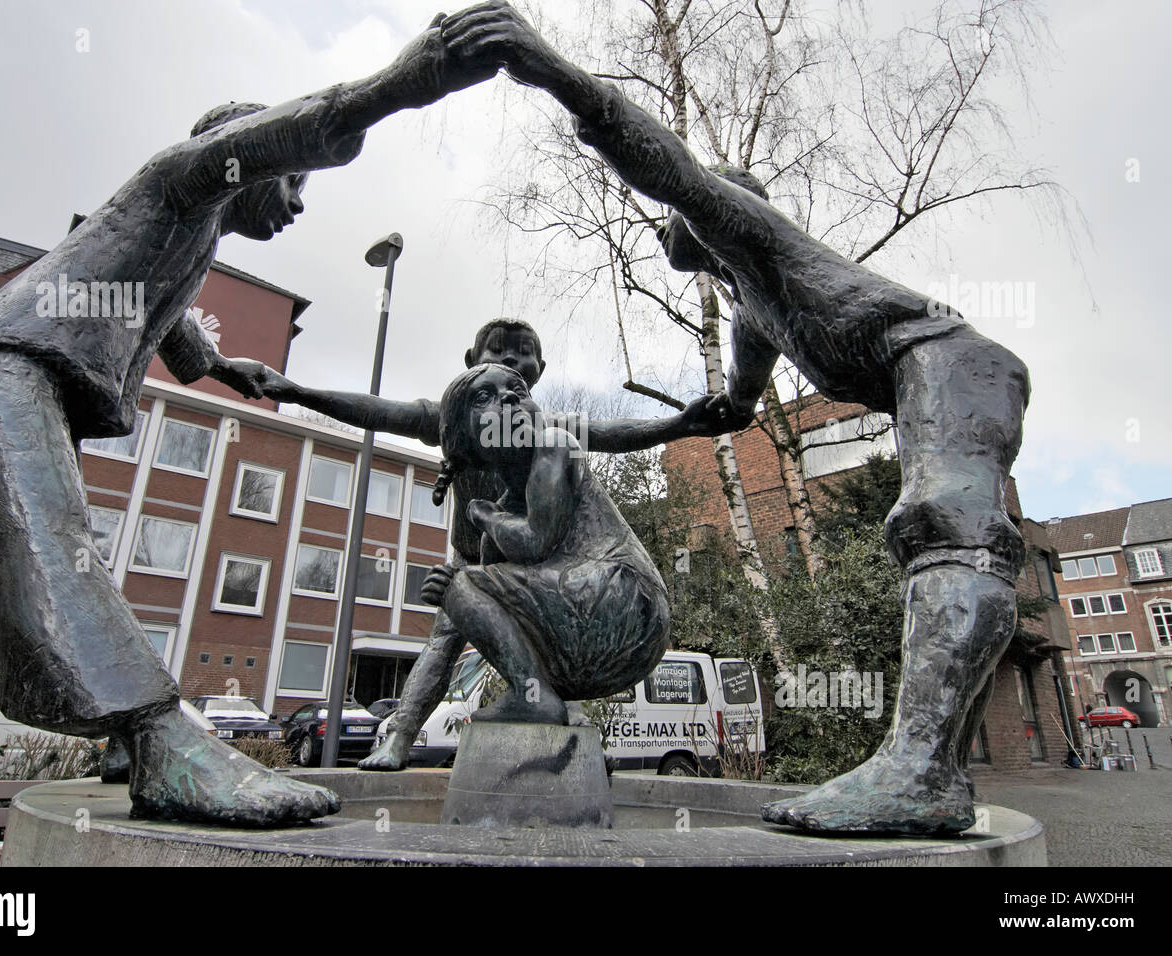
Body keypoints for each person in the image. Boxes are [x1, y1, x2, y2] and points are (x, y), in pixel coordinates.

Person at [439, 1, 1032, 834]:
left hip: (948, 363)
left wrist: (555, 72)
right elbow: (739, 404)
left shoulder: (751, 237)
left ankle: (921, 769)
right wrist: (702, 416)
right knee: (944, 530)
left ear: (718, 211)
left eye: (688, 214)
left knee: (945, 525)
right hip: (928, 375)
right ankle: (930, 768)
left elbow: (663, 165)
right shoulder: (755, 308)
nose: (668, 230)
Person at [0, 14, 499, 827]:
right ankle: (161, 742)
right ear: (243, 158)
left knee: (60, 551)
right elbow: (311, 123)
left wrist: (230, 369)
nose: (296, 203)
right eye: (291, 183)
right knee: (54, 547)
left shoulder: (186, 242)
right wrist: (409, 80)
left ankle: (125, 741)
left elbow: (180, 341)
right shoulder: (179, 180)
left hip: (17, 385)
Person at [261, 317, 724, 767]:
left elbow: (610, 432)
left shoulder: (544, 433)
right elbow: (377, 411)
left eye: (525, 355)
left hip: (546, 563)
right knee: (447, 637)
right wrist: (295, 391)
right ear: (470, 361)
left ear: (539, 372)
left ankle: (554, 726)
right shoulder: (458, 416)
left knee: (494, 613)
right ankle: (403, 735)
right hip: (486, 556)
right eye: (498, 349)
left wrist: (679, 425)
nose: (512, 359)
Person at [415, 363, 670, 723]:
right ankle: (536, 695)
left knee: (464, 584)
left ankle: (532, 697)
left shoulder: (554, 444)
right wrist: (449, 589)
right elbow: (490, 591)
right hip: (595, 634)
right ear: (466, 436)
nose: (508, 397)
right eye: (485, 397)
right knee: (463, 587)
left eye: (518, 391)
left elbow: (535, 543)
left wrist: (484, 517)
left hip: (627, 597)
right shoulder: (507, 509)